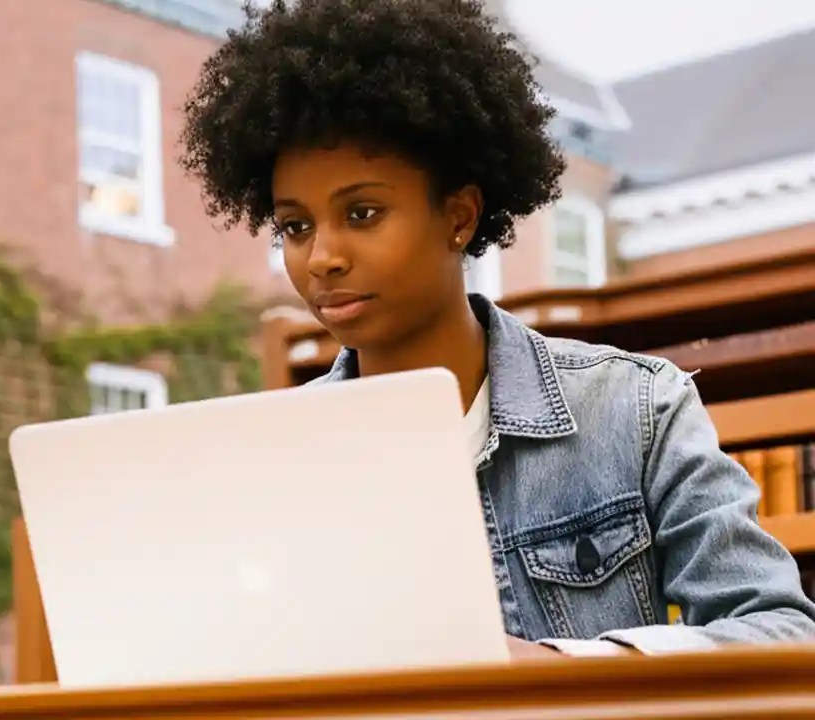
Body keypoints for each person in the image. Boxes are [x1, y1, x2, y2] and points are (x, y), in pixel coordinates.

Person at [178, 0, 815, 659]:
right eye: (295, 227)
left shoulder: (635, 411)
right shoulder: (274, 458)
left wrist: (554, 670)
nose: (322, 256)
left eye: (362, 212)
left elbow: (781, 632)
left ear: (458, 217)